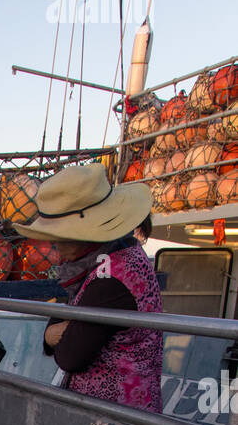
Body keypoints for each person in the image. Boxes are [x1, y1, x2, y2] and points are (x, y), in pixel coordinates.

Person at [20, 164, 163, 412]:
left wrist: (59, 334)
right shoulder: (106, 259)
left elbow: (70, 357)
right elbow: (58, 324)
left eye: (59, 236)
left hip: (116, 421)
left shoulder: (110, 279)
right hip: (115, 410)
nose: (53, 244)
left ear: (85, 234)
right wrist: (53, 334)